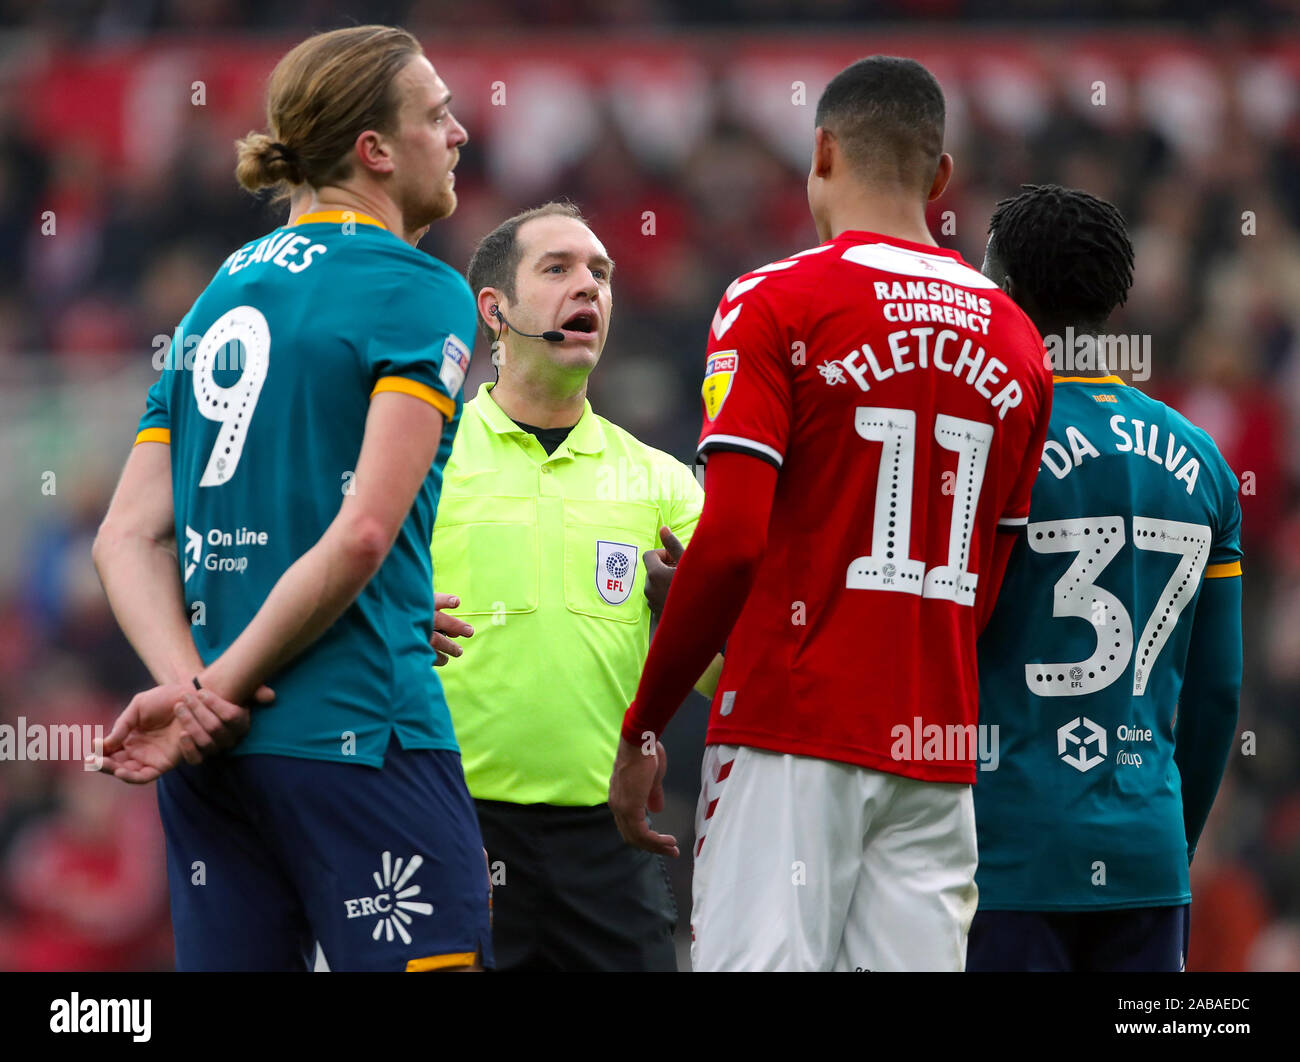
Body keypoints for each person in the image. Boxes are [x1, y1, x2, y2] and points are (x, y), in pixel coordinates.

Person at [609, 55, 1053, 972]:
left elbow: (729, 543)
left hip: (790, 732)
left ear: (820, 152)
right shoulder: (1017, 340)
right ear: (940, 178)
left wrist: (645, 723)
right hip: (933, 744)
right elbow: (991, 584)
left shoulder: (772, 301)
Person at [91, 25, 492, 972]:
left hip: (212, 770)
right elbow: (359, 533)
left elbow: (125, 537)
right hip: (360, 740)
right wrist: (215, 691)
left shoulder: (215, 297)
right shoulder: (419, 289)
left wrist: (191, 696)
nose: (462, 133)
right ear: (377, 152)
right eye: (437, 116)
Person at [432, 200, 718, 971]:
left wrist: (689, 613)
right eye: (557, 269)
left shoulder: (662, 481)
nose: (587, 286)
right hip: (454, 830)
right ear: (495, 310)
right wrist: (393, 615)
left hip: (610, 840)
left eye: (600, 273)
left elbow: (731, 679)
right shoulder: (425, 461)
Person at [968, 184, 1243, 973]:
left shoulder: (988, 445)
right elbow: (1218, 692)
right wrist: (1165, 839)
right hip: (1147, 860)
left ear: (1008, 297)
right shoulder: (1204, 463)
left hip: (1009, 856)